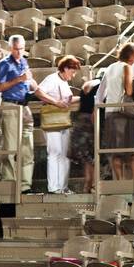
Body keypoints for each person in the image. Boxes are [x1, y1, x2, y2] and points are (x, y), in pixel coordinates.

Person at [0, 34, 37, 191]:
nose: (19, 52)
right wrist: (18, 79)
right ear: (10, 48)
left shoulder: (24, 61)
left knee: (27, 147)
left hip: (25, 105)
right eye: (16, 49)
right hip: (10, 106)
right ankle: (10, 183)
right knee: (11, 147)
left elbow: (30, 82)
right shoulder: (4, 64)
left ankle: (25, 185)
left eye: (21, 49)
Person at [99, 42, 134, 182]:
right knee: (132, 152)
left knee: (115, 152)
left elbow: (101, 93)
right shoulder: (127, 67)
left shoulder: (110, 68)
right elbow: (129, 90)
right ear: (132, 56)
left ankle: (118, 182)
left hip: (110, 112)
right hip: (124, 114)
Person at [35, 55, 80, 194]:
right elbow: (38, 92)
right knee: (54, 153)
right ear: (65, 68)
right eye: (72, 72)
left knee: (64, 154)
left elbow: (66, 100)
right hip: (53, 121)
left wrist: (85, 97)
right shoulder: (52, 79)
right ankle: (54, 187)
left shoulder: (64, 82)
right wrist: (55, 102)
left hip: (63, 120)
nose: (72, 76)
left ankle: (63, 186)